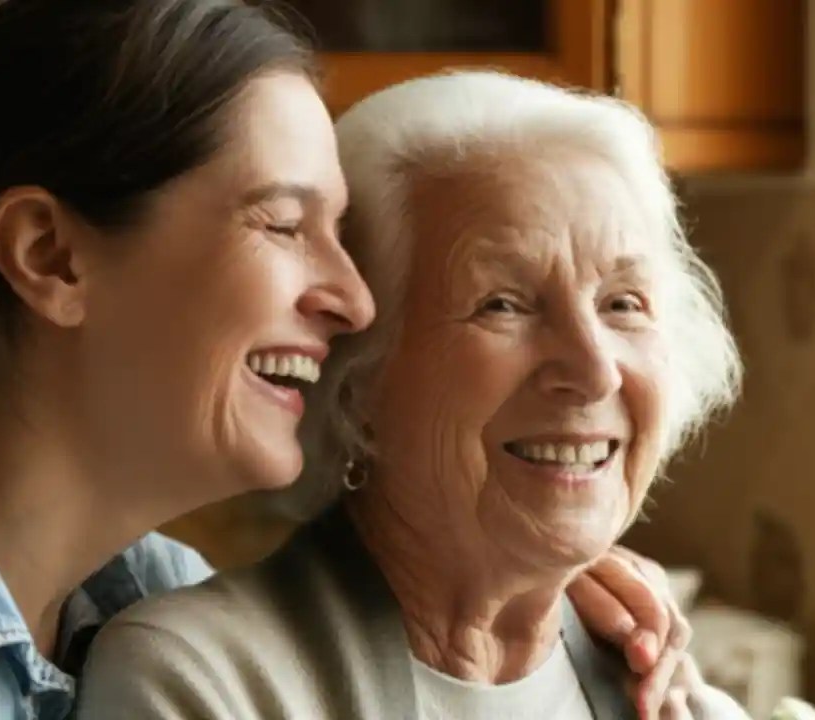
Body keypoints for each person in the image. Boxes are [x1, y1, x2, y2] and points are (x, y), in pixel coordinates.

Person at [0, 3, 692, 718]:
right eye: (285, 225)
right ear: (53, 257)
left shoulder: (147, 599)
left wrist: (543, 580)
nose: (354, 300)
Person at [77, 71, 748, 720]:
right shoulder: (199, 682)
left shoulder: (669, 694)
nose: (595, 370)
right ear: (356, 379)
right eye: (504, 305)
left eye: (623, 303)